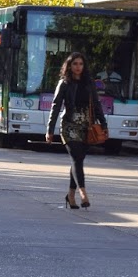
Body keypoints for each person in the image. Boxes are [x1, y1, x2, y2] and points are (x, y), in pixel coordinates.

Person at [46, 51, 107, 209]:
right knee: (76, 157)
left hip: (86, 126)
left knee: (78, 160)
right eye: (75, 64)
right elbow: (56, 106)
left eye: (80, 64)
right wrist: (50, 130)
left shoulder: (89, 82)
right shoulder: (64, 83)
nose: (78, 67)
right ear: (69, 66)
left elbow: (96, 103)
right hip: (69, 125)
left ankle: (70, 196)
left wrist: (103, 122)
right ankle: (83, 193)